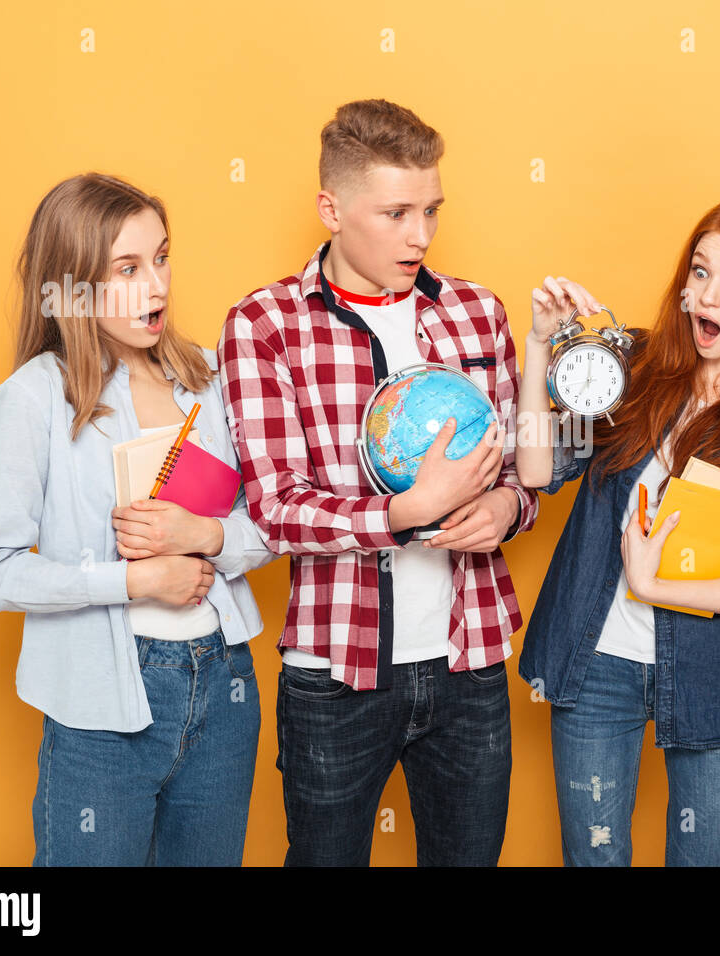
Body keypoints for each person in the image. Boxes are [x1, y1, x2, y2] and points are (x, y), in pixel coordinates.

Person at [219, 98, 539, 867]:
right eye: (395, 214)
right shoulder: (266, 325)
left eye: (431, 210)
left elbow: (522, 473)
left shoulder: (477, 312)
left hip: (469, 663)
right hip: (338, 672)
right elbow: (276, 508)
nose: (420, 235)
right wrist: (406, 511)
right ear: (331, 209)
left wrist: (507, 506)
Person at [0, 172, 275, 865]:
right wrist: (133, 581)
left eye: (160, 258)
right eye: (127, 269)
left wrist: (207, 536)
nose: (155, 287)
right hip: (99, 708)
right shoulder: (36, 399)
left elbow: (273, 521)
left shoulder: (212, 378)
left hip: (224, 686)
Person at [515, 199, 720, 866]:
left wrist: (655, 584)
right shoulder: (634, 365)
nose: (708, 296)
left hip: (708, 675)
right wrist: (541, 345)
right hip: (595, 665)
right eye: (701, 272)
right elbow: (538, 469)